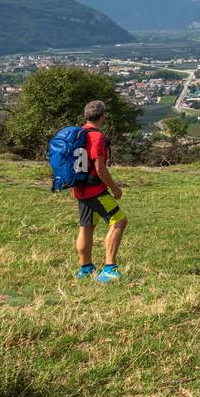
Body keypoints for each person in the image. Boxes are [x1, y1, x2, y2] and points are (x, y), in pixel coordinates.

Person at [72, 100, 128, 283]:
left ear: (86, 116)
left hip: (80, 188)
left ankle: (85, 268)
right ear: (102, 116)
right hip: (95, 189)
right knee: (119, 221)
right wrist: (115, 188)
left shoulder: (78, 133)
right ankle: (109, 269)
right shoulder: (96, 137)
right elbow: (101, 169)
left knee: (86, 227)